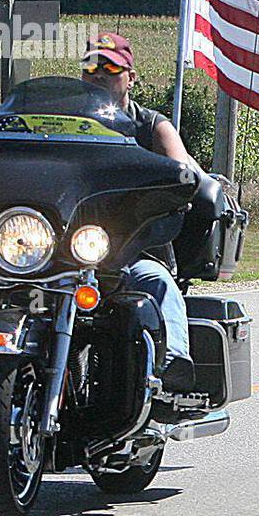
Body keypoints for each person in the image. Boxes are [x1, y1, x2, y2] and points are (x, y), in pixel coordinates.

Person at [79, 33, 199, 390]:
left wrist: (175, 187)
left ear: (131, 77)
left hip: (131, 247)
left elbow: (182, 173)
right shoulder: (58, 124)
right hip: (63, 250)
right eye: (90, 67)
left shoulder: (151, 125)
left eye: (111, 67)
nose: (99, 74)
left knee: (156, 282)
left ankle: (173, 368)